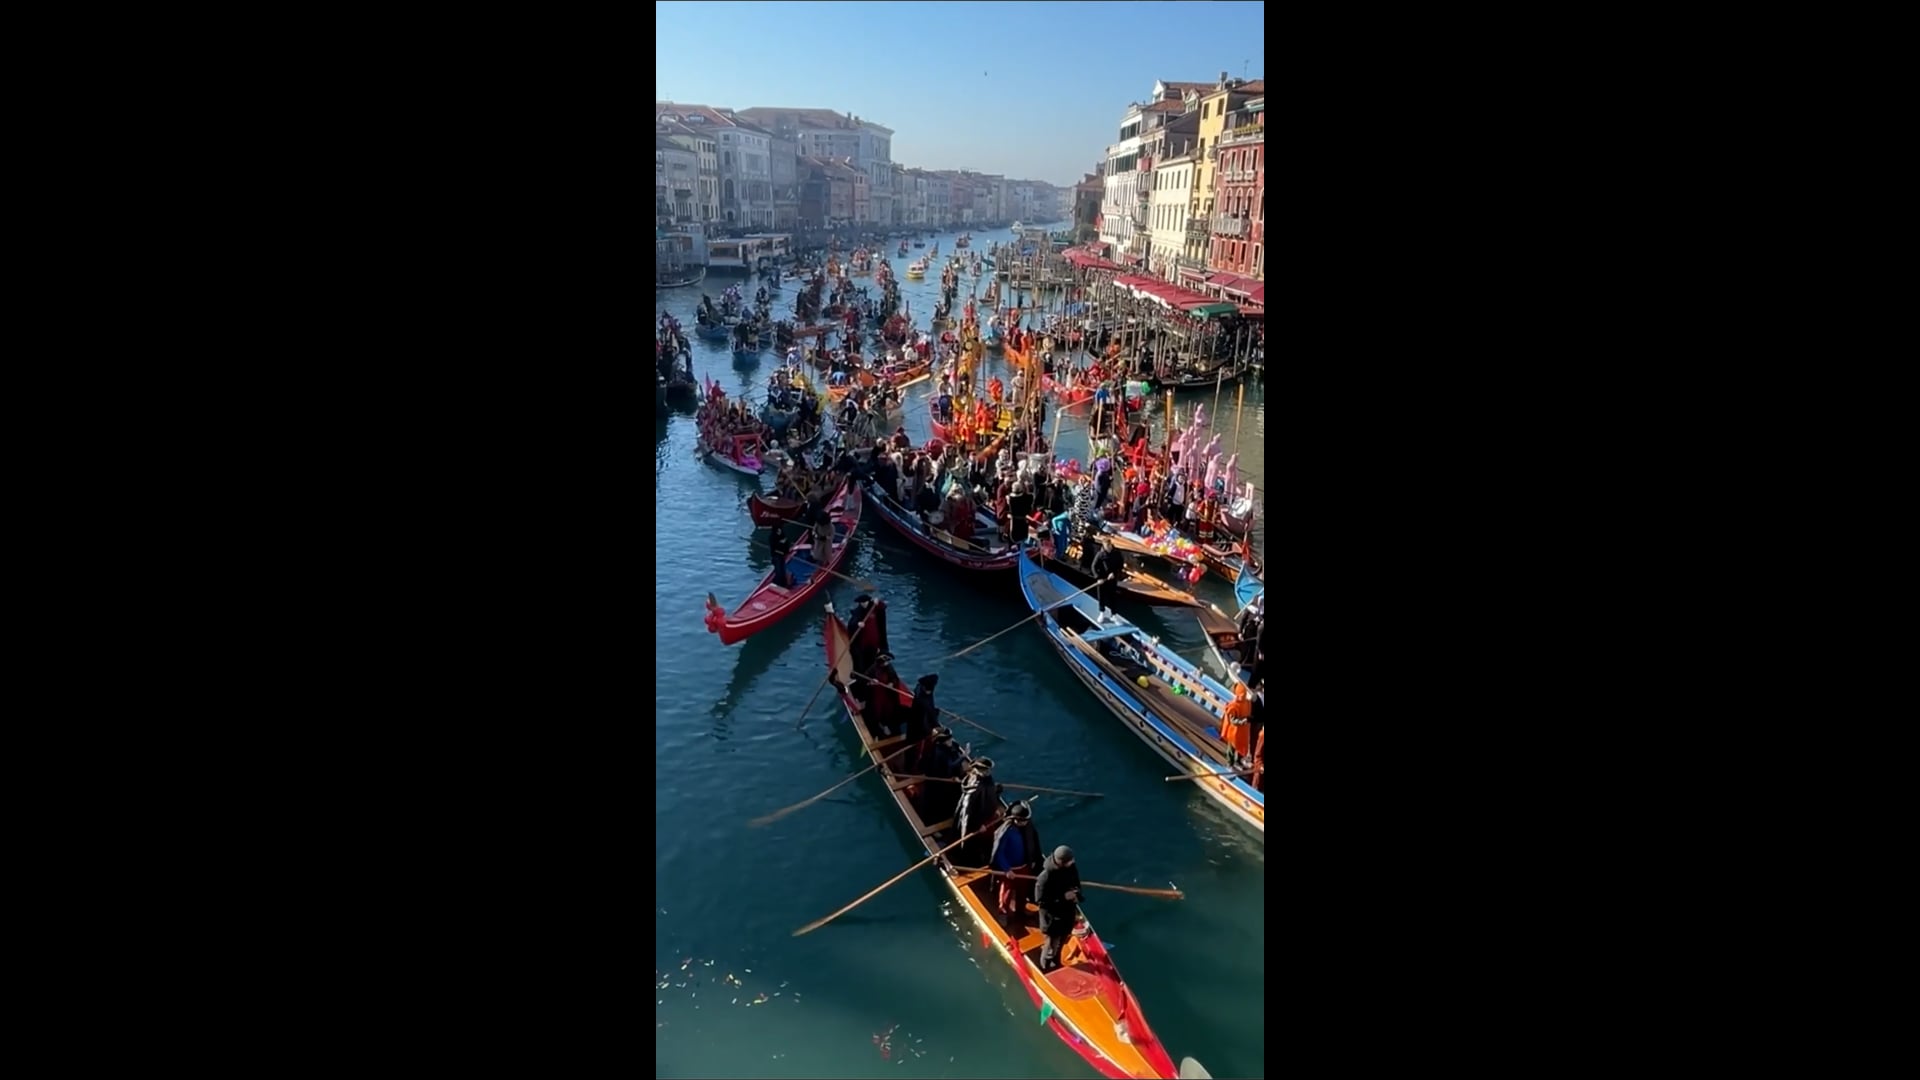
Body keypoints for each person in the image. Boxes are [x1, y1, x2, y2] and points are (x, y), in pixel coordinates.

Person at [989, 801, 1042, 936]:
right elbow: (999, 853)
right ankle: (1003, 913)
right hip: (1010, 870)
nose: (1026, 823)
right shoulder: (1006, 832)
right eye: (1023, 821)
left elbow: (1033, 844)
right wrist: (1007, 869)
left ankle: (1021, 909)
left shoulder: (1027, 827)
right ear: (1016, 820)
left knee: (1023, 890)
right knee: (1006, 892)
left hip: (1024, 866)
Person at [1033, 845, 1084, 972]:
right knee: (1051, 945)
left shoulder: (1071, 867)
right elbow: (1040, 900)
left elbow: (1076, 882)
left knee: (1061, 942)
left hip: (1067, 914)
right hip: (1053, 918)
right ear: (1061, 862)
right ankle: (1045, 968)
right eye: (1070, 860)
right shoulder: (1044, 878)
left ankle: (1057, 963)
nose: (1073, 862)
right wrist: (1062, 897)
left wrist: (1076, 893)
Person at [955, 757, 1000, 867]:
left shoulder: (986, 779)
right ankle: (968, 863)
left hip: (986, 816)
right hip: (975, 821)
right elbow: (969, 810)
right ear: (980, 770)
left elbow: (989, 795)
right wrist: (978, 825)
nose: (989, 772)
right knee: (972, 843)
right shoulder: (976, 787)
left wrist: (997, 790)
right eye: (986, 770)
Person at [1221, 682, 1253, 766]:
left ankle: (1239, 761)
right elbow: (1232, 720)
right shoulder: (1233, 705)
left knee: (1242, 746)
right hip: (1234, 730)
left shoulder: (1247, 703)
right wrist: (1242, 721)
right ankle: (1229, 763)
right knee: (1231, 748)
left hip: (1243, 731)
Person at [1089, 538, 1121, 612]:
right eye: (1107, 546)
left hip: (1112, 578)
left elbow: (1120, 565)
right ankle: (1101, 612)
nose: (1108, 548)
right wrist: (1097, 577)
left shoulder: (1116, 553)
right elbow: (1093, 566)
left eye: (1109, 546)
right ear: (1104, 546)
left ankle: (1113, 614)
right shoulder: (1100, 554)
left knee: (1112, 597)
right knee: (1101, 597)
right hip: (1102, 578)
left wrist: (1114, 573)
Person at [769, 524, 793, 589]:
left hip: (782, 555)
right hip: (776, 556)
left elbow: (786, 542)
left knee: (782, 569)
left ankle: (783, 582)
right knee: (779, 570)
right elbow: (774, 547)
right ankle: (780, 583)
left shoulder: (782, 534)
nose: (779, 531)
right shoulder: (772, 537)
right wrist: (780, 543)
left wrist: (786, 551)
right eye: (778, 530)